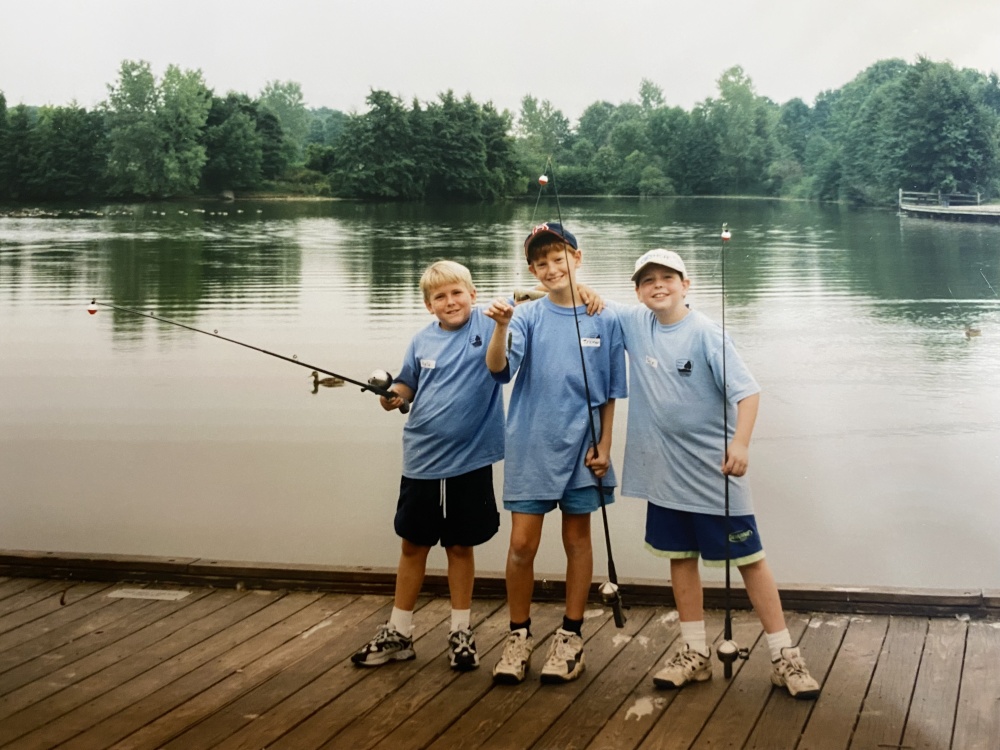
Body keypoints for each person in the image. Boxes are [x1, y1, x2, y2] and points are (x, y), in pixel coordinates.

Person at [617, 248, 821, 699]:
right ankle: (695, 653)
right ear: (636, 291)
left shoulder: (707, 333)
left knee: (750, 561)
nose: (658, 286)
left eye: (667, 278)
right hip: (665, 476)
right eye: (647, 280)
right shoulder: (633, 323)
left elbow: (748, 394)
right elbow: (582, 299)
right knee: (679, 557)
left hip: (715, 476)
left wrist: (741, 443)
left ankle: (784, 656)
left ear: (685, 284)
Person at [485, 222, 627, 684]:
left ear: (577, 258)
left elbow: (609, 393)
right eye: (540, 262)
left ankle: (571, 635)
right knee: (522, 545)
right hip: (530, 444)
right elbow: (499, 368)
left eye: (558, 258)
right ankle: (519, 634)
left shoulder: (604, 316)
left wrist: (605, 446)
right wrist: (502, 328)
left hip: (585, 451)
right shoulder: (524, 315)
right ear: (531, 269)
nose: (550, 268)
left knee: (576, 541)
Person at [351, 260, 504, 672]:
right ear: (428, 305)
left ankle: (461, 632)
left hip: (470, 461)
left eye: (458, 292)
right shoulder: (421, 341)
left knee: (460, 545)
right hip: (421, 459)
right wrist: (393, 396)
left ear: (473, 294)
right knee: (413, 545)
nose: (450, 301)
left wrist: (589, 297)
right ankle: (400, 632)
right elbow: (407, 385)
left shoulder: (491, 326)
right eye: (440, 296)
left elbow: (535, 301)